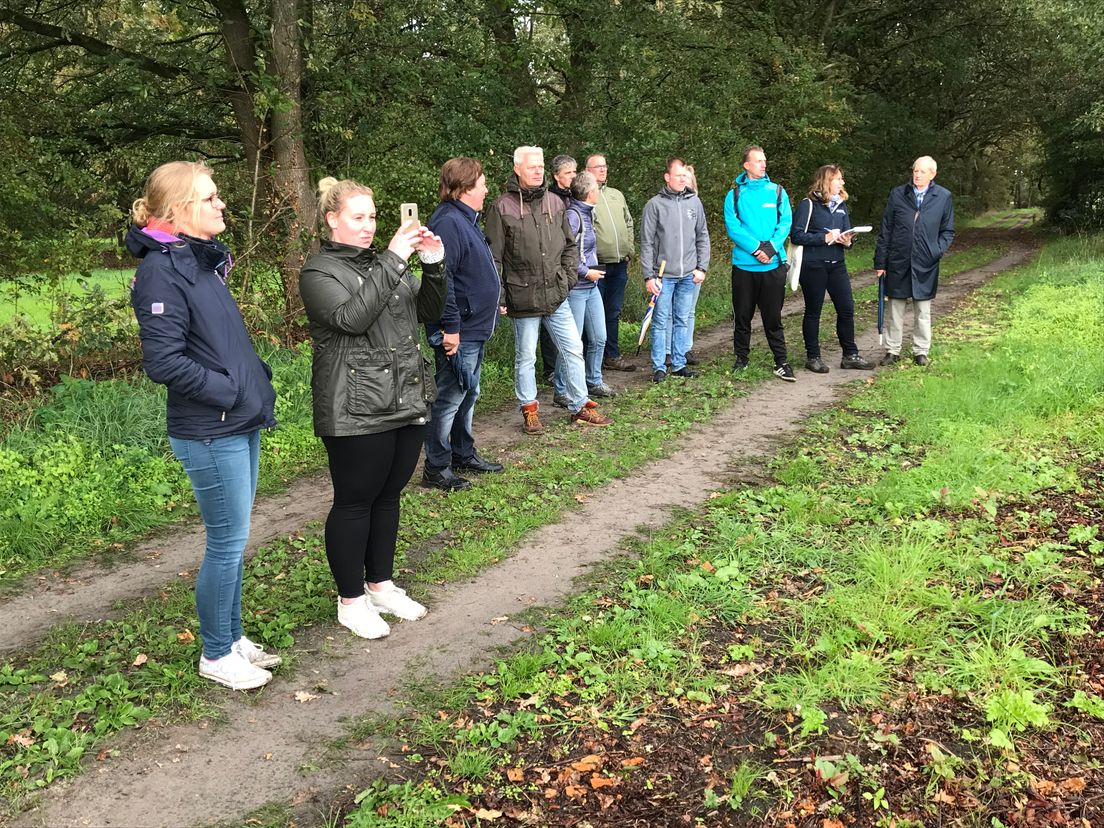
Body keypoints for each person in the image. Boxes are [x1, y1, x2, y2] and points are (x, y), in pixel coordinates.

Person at [127, 161, 280, 690]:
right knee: (226, 542)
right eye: (210, 198)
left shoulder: (200, 262)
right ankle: (215, 654)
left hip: (237, 420)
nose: (221, 206)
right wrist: (229, 391)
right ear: (179, 211)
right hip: (210, 429)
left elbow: (220, 343)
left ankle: (232, 637)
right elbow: (164, 362)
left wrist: (249, 384)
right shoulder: (160, 271)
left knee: (235, 541)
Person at [299, 177, 447, 639]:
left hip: (405, 395)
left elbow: (427, 311)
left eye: (373, 217)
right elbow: (351, 318)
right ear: (332, 220)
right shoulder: (319, 272)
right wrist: (394, 258)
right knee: (355, 500)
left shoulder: (386, 264)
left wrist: (434, 264)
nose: (369, 226)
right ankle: (351, 601)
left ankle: (380, 585)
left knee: (389, 495)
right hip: (355, 406)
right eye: (358, 218)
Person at [485, 146, 613, 433]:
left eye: (541, 166)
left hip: (557, 294)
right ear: (518, 168)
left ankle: (580, 405)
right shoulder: (501, 206)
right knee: (526, 356)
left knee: (573, 350)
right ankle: (529, 410)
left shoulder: (556, 202)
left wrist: (566, 279)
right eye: (532, 167)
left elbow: (570, 246)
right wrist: (501, 295)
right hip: (522, 294)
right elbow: (493, 257)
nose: (538, 171)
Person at [421, 157, 505, 492]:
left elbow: (473, 272)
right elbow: (445, 281)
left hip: (474, 325)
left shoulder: (465, 219)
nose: (486, 188)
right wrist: (452, 327)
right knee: (450, 397)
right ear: (466, 186)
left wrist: (491, 299)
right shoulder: (448, 222)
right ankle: (436, 468)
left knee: (467, 393)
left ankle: (462, 453)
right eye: (482, 182)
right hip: (460, 330)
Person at [789, 165, 874, 373]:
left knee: (846, 309)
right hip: (813, 266)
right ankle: (813, 357)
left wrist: (847, 242)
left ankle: (850, 355)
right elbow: (797, 235)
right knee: (813, 311)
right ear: (826, 181)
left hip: (838, 266)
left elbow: (847, 236)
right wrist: (823, 237)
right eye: (838, 179)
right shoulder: (808, 205)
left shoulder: (842, 206)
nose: (842, 182)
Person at [873, 155, 955, 366]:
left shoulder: (943, 196)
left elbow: (948, 230)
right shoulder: (898, 194)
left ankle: (921, 351)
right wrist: (881, 262)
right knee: (895, 308)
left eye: (922, 171)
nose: (917, 175)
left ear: (932, 174)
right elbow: (886, 229)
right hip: (898, 260)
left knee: (923, 310)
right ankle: (892, 350)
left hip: (926, 262)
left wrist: (936, 251)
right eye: (915, 170)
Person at [724, 145, 795, 381]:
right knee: (742, 316)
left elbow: (785, 223)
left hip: (772, 265)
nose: (763, 164)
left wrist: (770, 248)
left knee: (773, 318)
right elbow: (733, 228)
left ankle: (781, 362)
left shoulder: (777, 192)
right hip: (744, 266)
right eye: (758, 161)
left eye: (764, 160)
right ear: (746, 165)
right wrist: (756, 249)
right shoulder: (734, 195)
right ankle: (741, 359)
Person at [639, 158, 710, 383]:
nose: (682, 179)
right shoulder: (655, 205)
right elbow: (647, 242)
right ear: (667, 177)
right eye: (677, 175)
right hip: (663, 276)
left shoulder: (694, 203)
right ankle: (659, 366)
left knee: (682, 319)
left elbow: (702, 236)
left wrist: (701, 267)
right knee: (660, 321)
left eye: (684, 175)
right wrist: (649, 276)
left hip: (688, 274)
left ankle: (679, 364)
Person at [554, 171, 614, 403]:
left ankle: (593, 380)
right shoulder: (574, 216)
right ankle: (561, 390)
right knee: (572, 342)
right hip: (576, 288)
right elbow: (565, 253)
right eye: (597, 188)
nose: (598, 191)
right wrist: (585, 271)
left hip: (591, 286)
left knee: (599, 337)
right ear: (591, 193)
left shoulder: (588, 213)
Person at [585, 153, 637, 373]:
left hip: (619, 262)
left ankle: (612, 355)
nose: (603, 170)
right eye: (598, 166)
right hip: (597, 265)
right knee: (592, 313)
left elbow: (628, 222)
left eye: (605, 166)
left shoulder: (616, 195)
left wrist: (629, 250)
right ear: (587, 170)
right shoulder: (585, 195)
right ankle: (591, 360)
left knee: (613, 311)